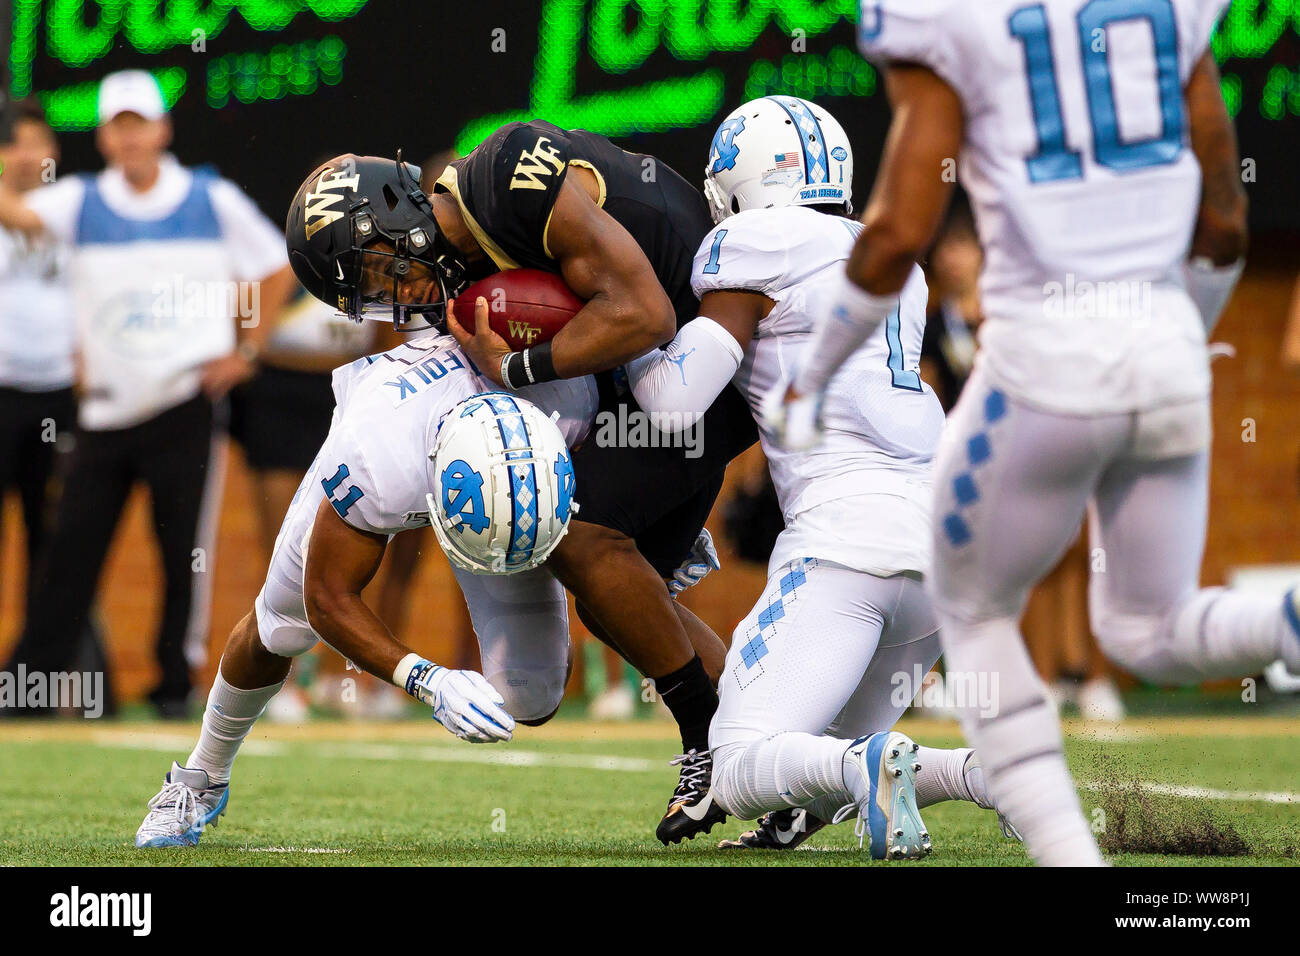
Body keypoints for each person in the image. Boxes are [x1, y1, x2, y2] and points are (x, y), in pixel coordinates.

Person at [770, 0, 1298, 865]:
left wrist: (813, 375)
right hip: (1168, 350)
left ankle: (1070, 859)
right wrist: (1185, 330)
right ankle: (1285, 621)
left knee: (972, 609)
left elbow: (900, 227)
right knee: (1148, 630)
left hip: (1043, 362)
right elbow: (1226, 216)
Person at [284, 132, 758, 843]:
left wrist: (517, 370)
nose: (393, 299)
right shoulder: (475, 241)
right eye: (372, 297)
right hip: (666, 369)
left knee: (580, 536)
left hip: (709, 355)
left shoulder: (505, 182)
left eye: (379, 273)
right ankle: (763, 750)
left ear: (392, 214)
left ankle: (704, 744)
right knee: (620, 606)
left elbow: (643, 313)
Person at [624, 96, 1011, 858]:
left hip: (844, 539)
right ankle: (989, 776)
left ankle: (868, 765)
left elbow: (673, 403)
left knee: (734, 764)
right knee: (817, 781)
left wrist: (627, 336)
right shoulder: (889, 251)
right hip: (940, 555)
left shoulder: (752, 241)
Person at [134, 308, 595, 847]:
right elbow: (326, 596)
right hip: (406, 426)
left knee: (531, 695)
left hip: (514, 485)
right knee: (281, 621)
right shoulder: (380, 452)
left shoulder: (573, 404)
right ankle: (202, 776)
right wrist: (429, 680)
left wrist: (662, 540)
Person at [0, 71, 296, 715]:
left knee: (184, 555)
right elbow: (17, 211)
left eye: (141, 124)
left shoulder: (208, 197)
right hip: (105, 408)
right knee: (68, 555)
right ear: (104, 136)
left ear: (162, 129)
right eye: (118, 127)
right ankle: (30, 691)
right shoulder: (78, 201)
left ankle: (173, 687)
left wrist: (246, 352)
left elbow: (275, 263)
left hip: (185, 401)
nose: (130, 139)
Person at [0, 99, 76, 627]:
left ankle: (39, 675)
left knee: (51, 536)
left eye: (37, 145)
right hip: (1, 391)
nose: (28, 157)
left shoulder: (76, 205)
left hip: (61, 393)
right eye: (14, 145)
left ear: (54, 151)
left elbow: (29, 218)